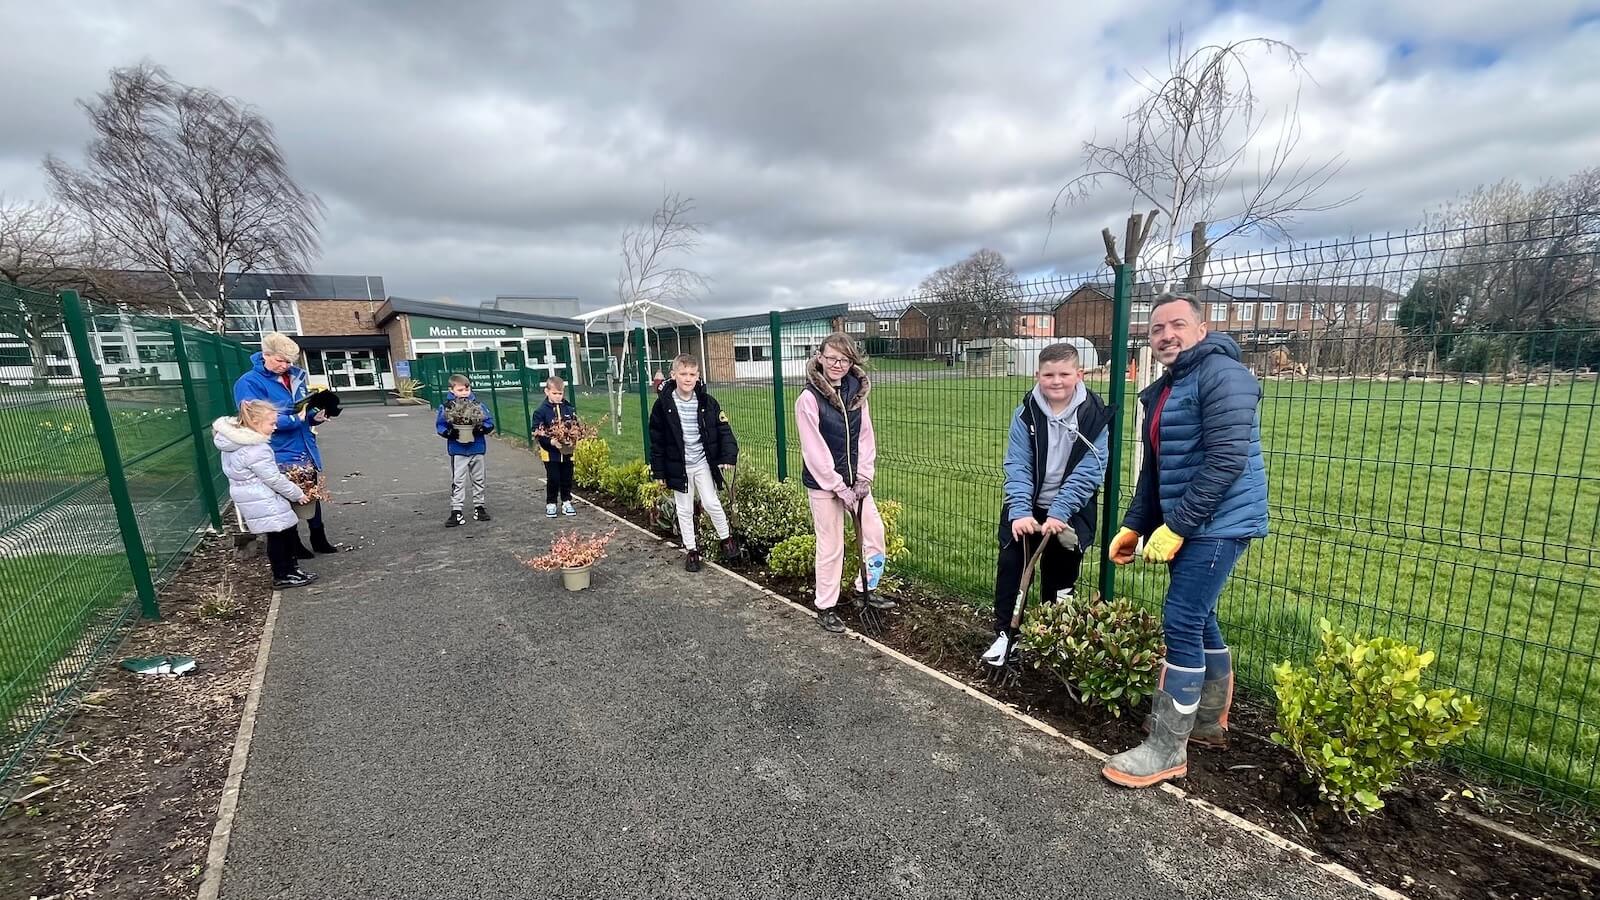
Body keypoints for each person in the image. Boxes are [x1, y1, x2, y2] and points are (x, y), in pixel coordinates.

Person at [1101, 293, 1269, 789]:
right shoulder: (1162, 390)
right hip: (1193, 522)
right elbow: (1155, 471)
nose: (1166, 335)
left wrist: (1177, 526)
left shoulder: (1224, 375)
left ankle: (1167, 747)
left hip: (1220, 522)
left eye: (1177, 324)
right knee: (1200, 616)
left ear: (1201, 329)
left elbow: (1226, 460)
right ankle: (1207, 723)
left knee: (1181, 618)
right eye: (1156, 329)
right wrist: (1136, 524)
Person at [984, 342, 1110, 666]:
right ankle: (1006, 636)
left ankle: (1052, 640)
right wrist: (1020, 511)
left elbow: (1091, 469)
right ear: (1037, 374)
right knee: (1012, 569)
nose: (1056, 381)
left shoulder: (1094, 414)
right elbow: (1018, 463)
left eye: (1064, 374)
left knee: (1060, 576)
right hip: (1027, 506)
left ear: (1079, 374)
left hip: (1070, 510)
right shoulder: (1026, 412)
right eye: (1048, 374)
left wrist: (1060, 512)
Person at [796, 333, 889, 634]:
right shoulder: (808, 399)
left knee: (874, 533)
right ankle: (826, 606)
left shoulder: (857, 394)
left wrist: (864, 477)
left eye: (844, 359)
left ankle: (867, 589)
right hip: (825, 486)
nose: (838, 364)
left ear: (852, 362)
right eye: (832, 358)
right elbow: (815, 450)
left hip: (856, 484)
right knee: (831, 544)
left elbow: (866, 436)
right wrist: (839, 487)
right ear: (820, 357)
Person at [232, 332, 345, 555]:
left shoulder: (296, 376)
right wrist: (294, 419)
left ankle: (318, 537)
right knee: (286, 497)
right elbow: (253, 417)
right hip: (277, 448)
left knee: (311, 492)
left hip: (303, 445)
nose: (285, 365)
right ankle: (293, 544)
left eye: (289, 361)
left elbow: (303, 409)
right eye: (280, 360)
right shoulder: (249, 382)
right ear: (266, 354)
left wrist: (314, 417)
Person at [649, 354, 740, 572]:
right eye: (683, 374)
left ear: (698, 376)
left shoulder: (708, 403)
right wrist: (659, 471)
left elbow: (724, 430)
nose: (688, 379)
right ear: (673, 375)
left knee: (711, 502)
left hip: (701, 463)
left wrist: (727, 456)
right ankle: (691, 551)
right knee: (684, 508)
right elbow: (657, 440)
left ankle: (726, 539)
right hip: (678, 466)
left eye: (692, 374)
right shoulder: (663, 406)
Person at [213, 400, 318, 588]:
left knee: (283, 532)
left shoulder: (231, 442)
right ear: (254, 422)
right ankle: (283, 573)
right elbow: (273, 479)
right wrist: (297, 493)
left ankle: (291, 570)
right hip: (264, 497)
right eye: (271, 423)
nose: (275, 427)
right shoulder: (256, 449)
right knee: (280, 535)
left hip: (251, 495)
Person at [436, 374, 495, 527]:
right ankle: (456, 511)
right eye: (460, 390)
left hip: (477, 447)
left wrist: (482, 429)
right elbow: (440, 425)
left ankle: (479, 506)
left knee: (479, 479)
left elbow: (489, 421)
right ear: (452, 390)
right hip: (458, 449)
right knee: (458, 481)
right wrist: (450, 433)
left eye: (466, 389)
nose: (464, 392)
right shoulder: (447, 407)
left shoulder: (477, 405)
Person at [532, 375, 579, 518]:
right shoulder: (541, 411)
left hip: (567, 451)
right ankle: (551, 503)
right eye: (555, 393)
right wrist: (551, 441)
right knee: (553, 478)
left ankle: (566, 501)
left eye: (560, 393)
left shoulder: (569, 408)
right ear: (547, 392)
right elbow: (537, 431)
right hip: (550, 453)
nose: (558, 396)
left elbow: (575, 427)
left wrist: (574, 438)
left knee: (567, 477)